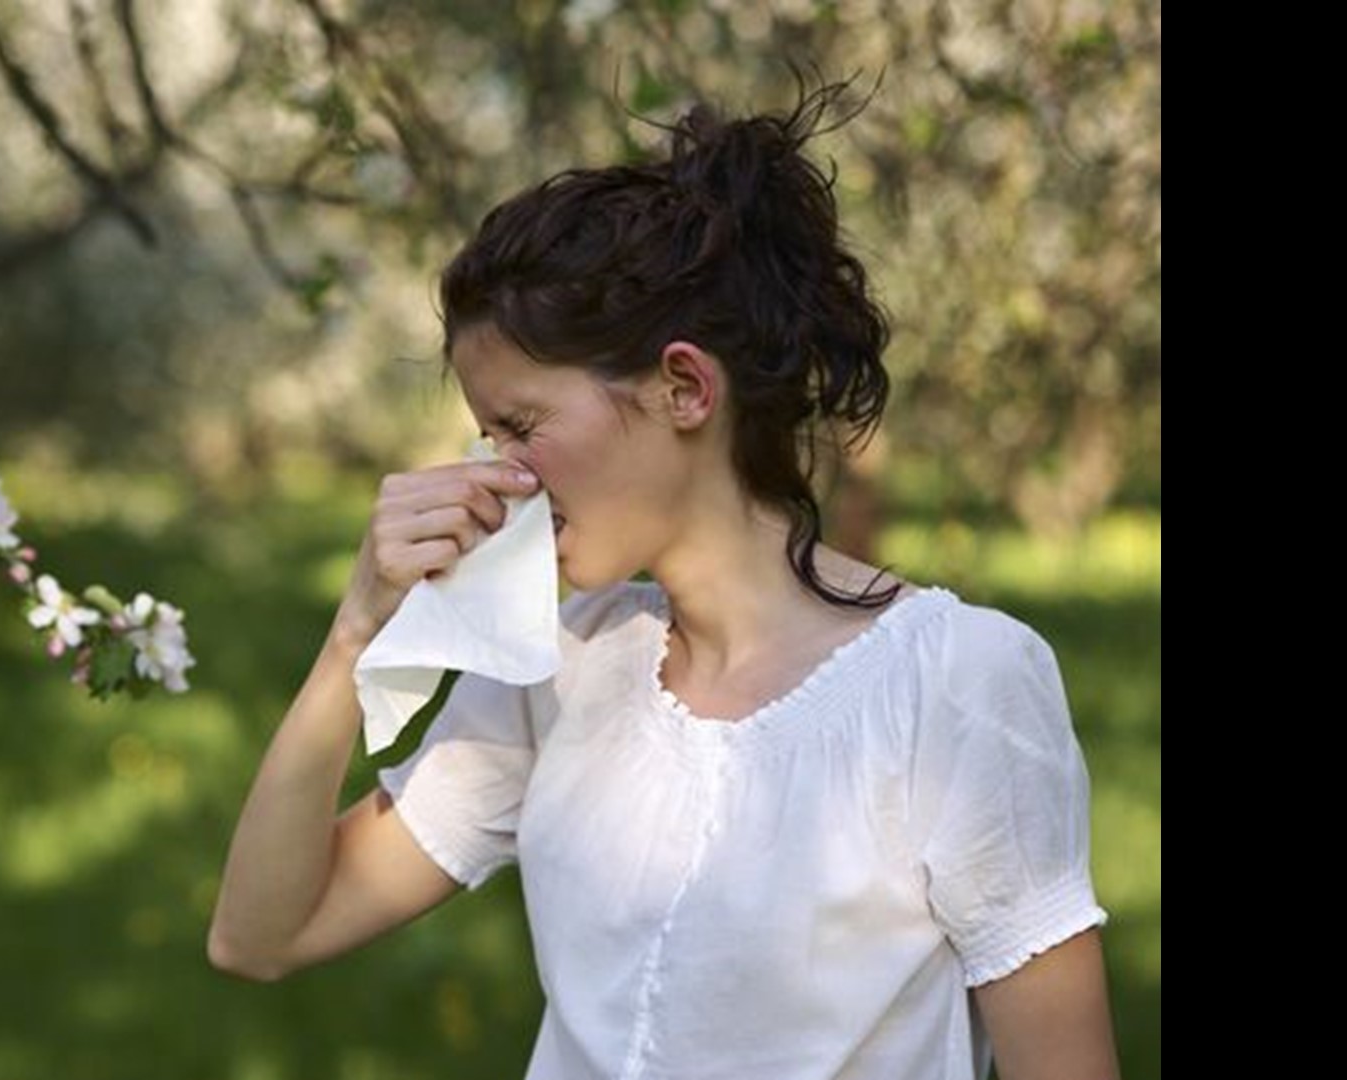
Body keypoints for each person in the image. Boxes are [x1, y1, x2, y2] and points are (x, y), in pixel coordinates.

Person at [208, 74, 1120, 1080]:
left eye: (521, 424)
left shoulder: (953, 682)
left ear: (684, 386)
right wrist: (355, 637)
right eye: (486, 430)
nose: (496, 474)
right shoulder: (560, 664)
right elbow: (259, 937)